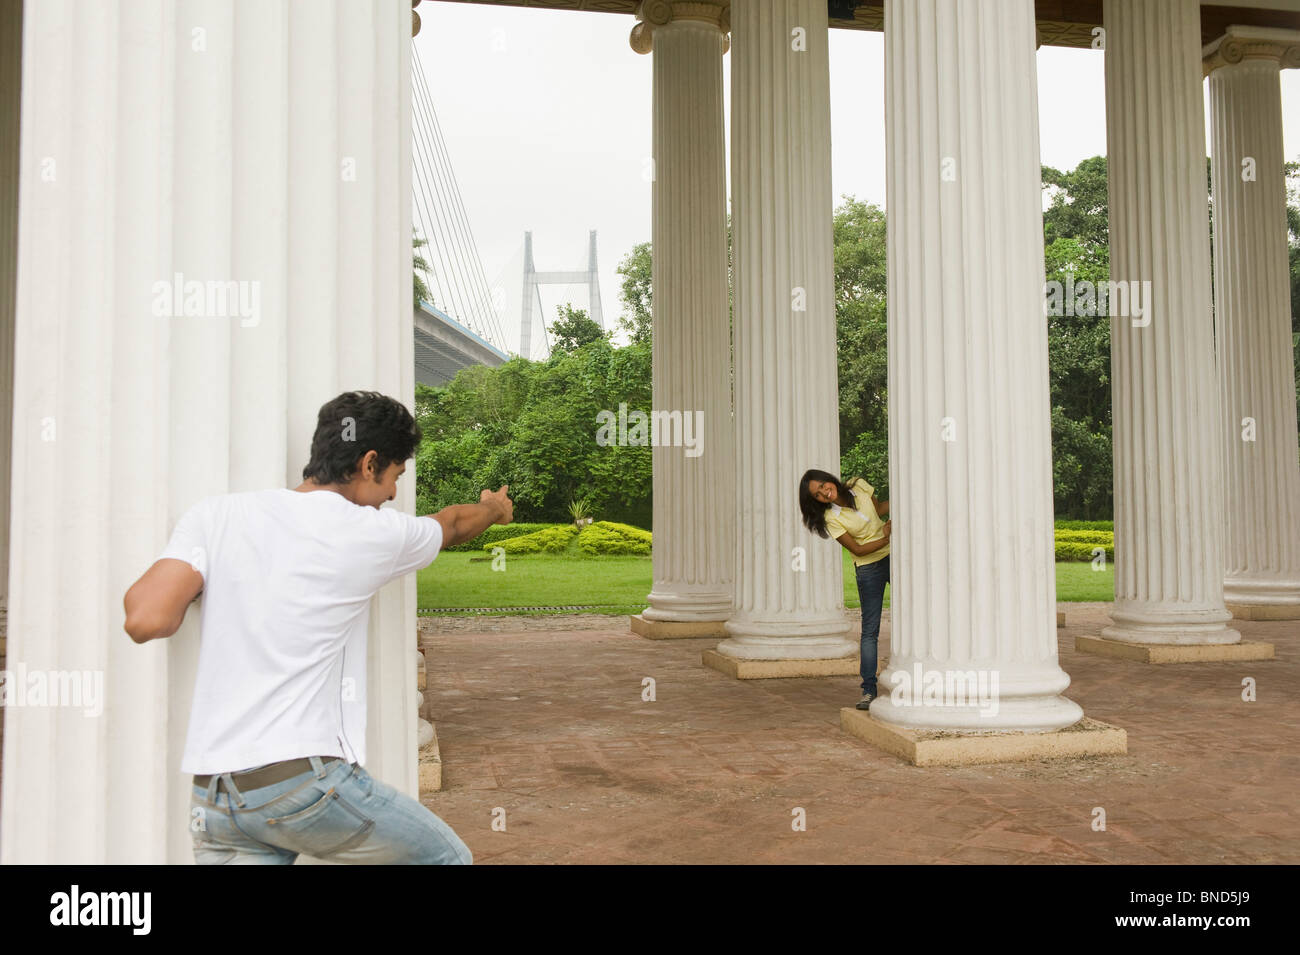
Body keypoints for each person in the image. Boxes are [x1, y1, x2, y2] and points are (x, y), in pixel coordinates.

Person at [122, 390, 513, 864]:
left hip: (218, 797)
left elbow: (146, 619)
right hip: (304, 784)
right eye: (394, 478)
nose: (392, 495)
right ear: (370, 464)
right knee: (446, 859)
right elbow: (452, 525)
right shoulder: (373, 533)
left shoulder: (215, 516)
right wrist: (494, 508)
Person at [798, 468, 891, 710]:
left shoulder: (859, 485)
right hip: (869, 568)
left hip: (895, 558)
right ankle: (869, 689)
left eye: (822, 485)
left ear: (829, 479)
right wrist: (886, 538)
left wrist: (909, 497)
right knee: (870, 630)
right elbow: (858, 550)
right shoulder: (831, 518)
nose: (824, 493)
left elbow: (879, 508)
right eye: (817, 495)